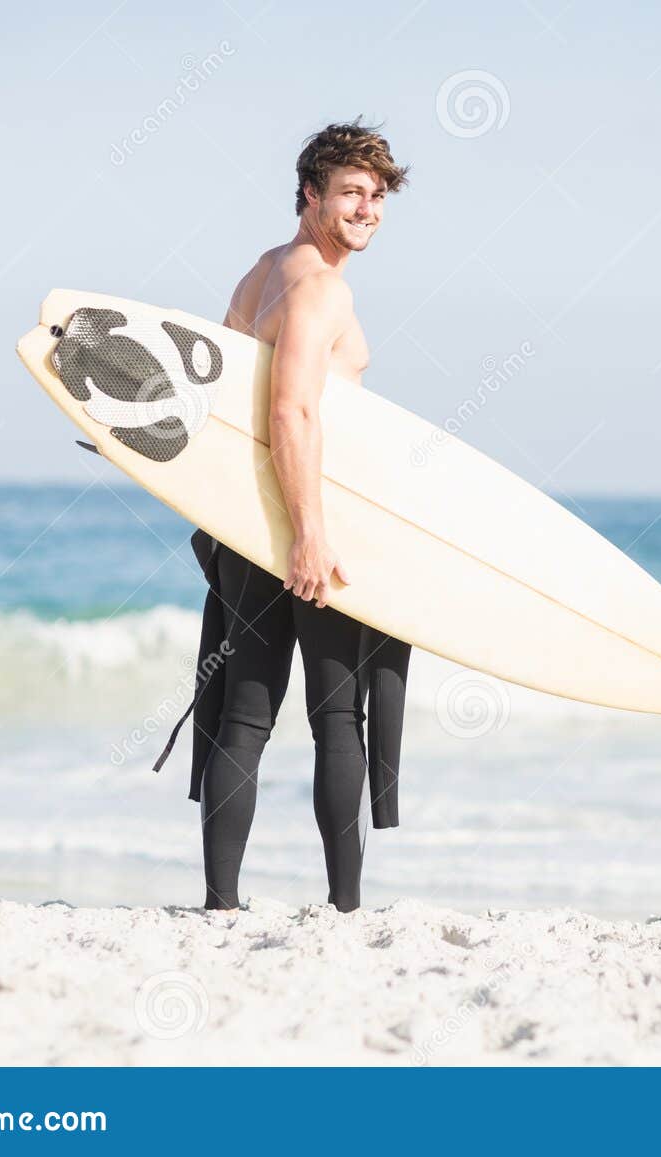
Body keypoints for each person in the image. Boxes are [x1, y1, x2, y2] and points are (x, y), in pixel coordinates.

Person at [165, 120, 413, 913]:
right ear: (310, 194)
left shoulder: (260, 274)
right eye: (349, 193)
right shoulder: (320, 289)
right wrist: (309, 533)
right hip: (305, 527)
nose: (366, 209)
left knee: (246, 711)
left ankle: (221, 902)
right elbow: (291, 412)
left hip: (245, 526)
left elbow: (219, 408)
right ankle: (345, 908)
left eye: (376, 196)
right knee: (338, 715)